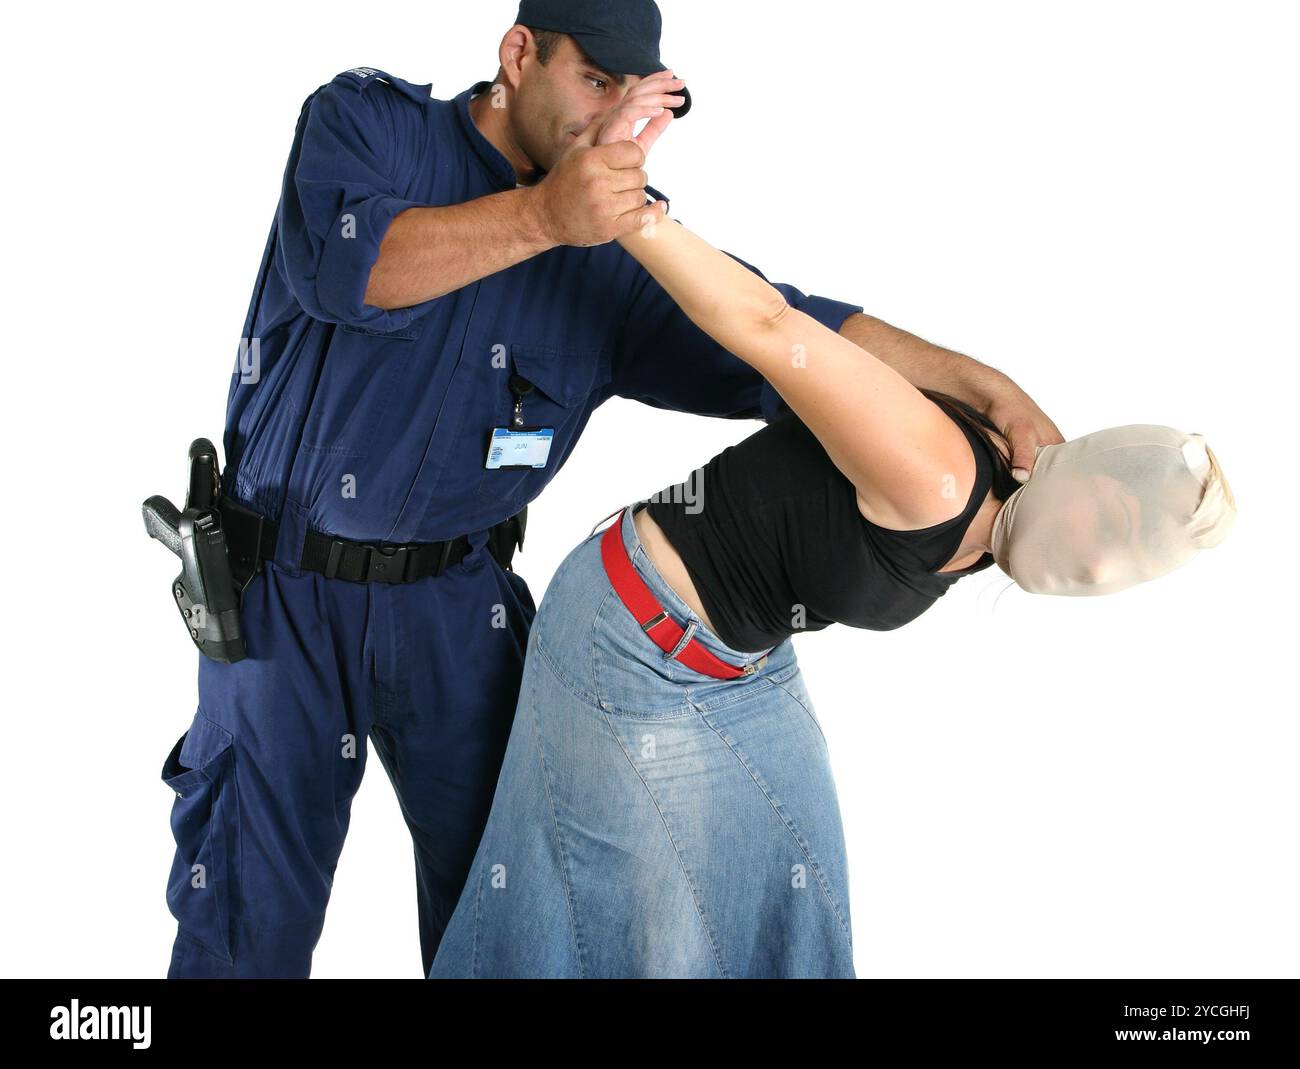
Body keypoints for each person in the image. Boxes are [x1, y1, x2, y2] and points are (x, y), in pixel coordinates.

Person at [159, 1, 1062, 978]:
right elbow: (352, 268)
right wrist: (547, 218)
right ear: (517, 55)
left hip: (458, 606)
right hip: (285, 592)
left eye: (630, 95)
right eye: (593, 83)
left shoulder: (614, 257)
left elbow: (784, 330)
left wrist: (981, 386)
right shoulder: (368, 126)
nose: (609, 120)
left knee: (515, 916)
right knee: (248, 921)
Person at [426, 77, 1237, 979]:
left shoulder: (995, 525)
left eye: (1132, 561)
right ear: (1079, 474)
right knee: (651, 945)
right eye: (1114, 522)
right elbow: (773, 326)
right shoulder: (937, 475)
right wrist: (628, 212)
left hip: (744, 663)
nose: (1100, 561)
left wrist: (995, 386)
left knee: (794, 905)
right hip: (631, 640)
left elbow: (857, 351)